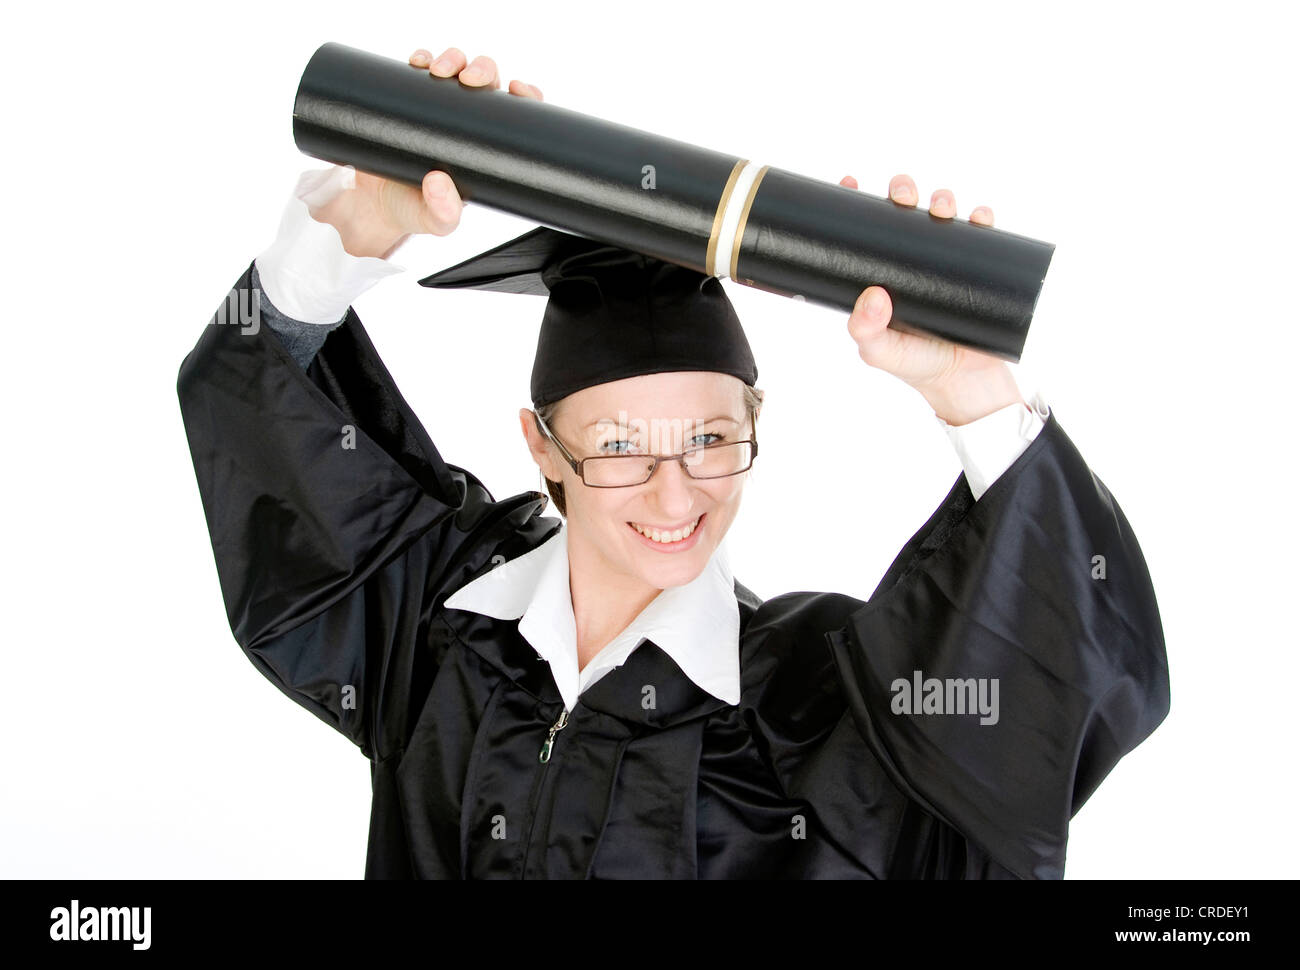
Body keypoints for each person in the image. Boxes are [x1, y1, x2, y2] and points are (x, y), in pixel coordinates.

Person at [177, 46, 1170, 879]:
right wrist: (355, 226)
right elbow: (261, 423)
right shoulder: (437, 625)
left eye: (708, 438)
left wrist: (975, 395)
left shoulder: (812, 699)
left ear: (754, 420)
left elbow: (1035, 743)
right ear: (542, 446)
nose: (672, 490)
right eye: (617, 446)